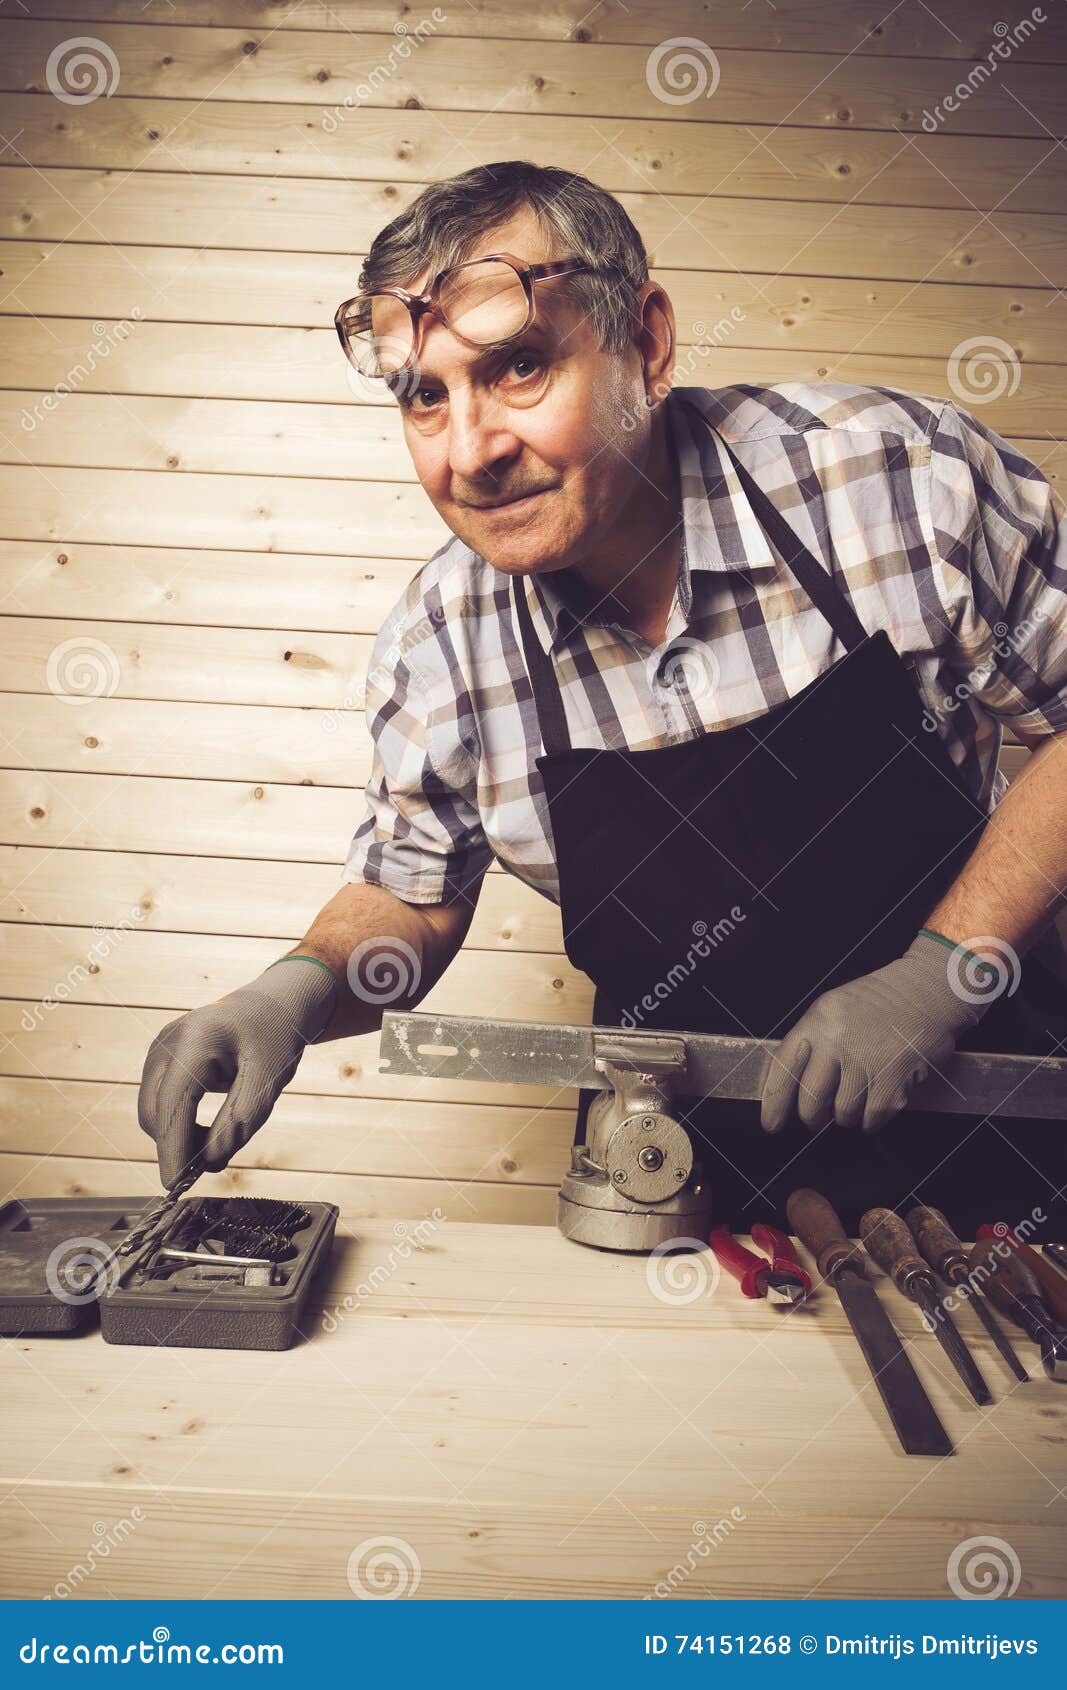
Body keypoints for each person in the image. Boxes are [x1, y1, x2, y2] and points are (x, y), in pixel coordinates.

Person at [138, 160, 1067, 1237]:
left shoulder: (894, 483)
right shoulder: (442, 644)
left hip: (1004, 1150)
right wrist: (290, 993)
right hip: (676, 1193)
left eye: (519, 367)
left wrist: (943, 971)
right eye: (422, 396)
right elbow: (413, 896)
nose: (469, 451)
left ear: (648, 342)